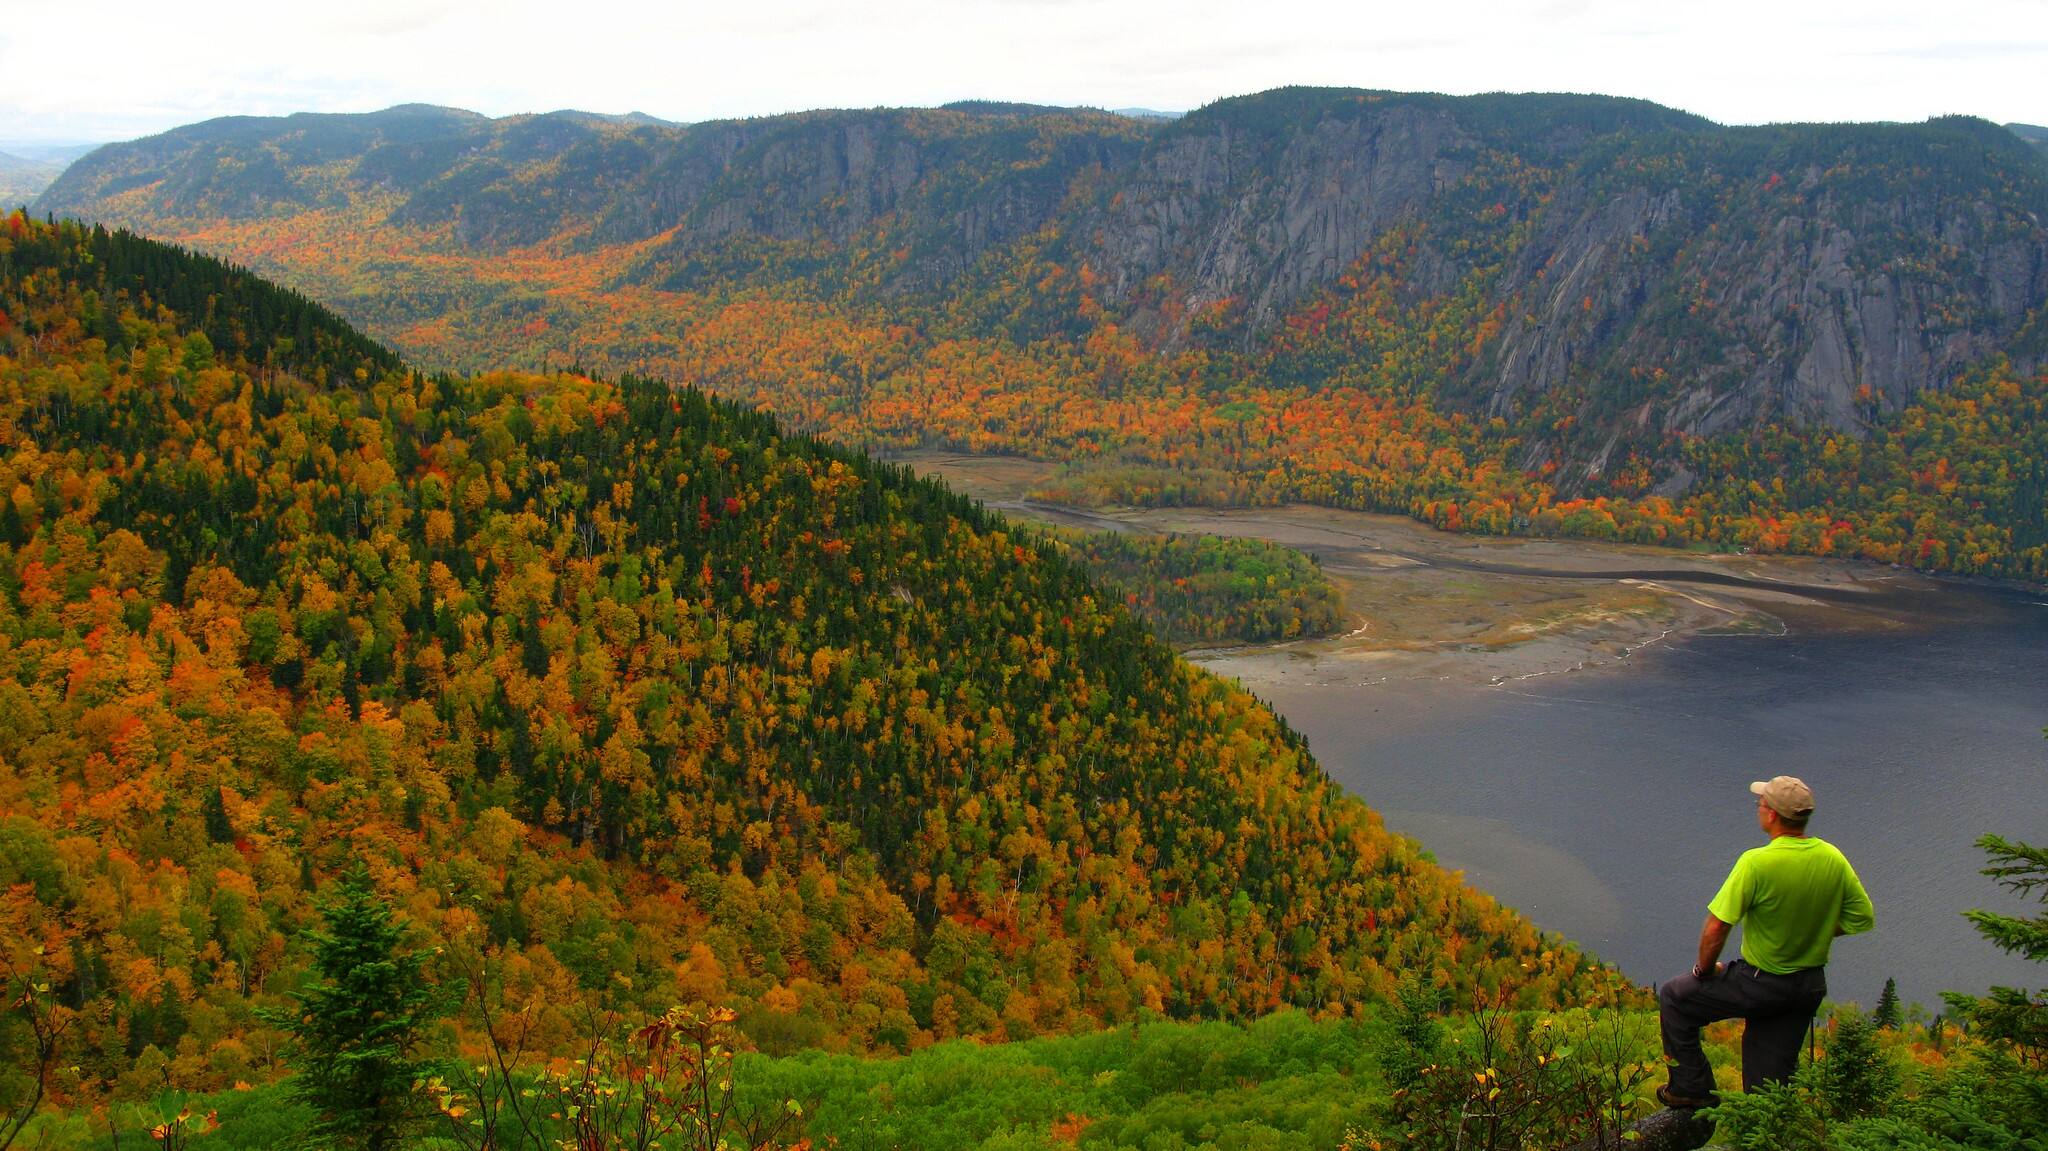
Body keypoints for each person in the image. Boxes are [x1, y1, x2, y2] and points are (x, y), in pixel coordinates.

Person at [1656, 775, 1875, 1110]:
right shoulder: (1831, 857)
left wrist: (1704, 970)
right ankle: (1768, 1131)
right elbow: (1861, 917)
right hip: (1807, 987)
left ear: (1771, 814)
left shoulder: (1756, 862)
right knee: (1769, 1089)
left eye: (1760, 803)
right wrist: (1811, 931)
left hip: (1761, 982)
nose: (1758, 808)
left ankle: (1691, 1088)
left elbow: (1717, 927)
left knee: (1675, 998)